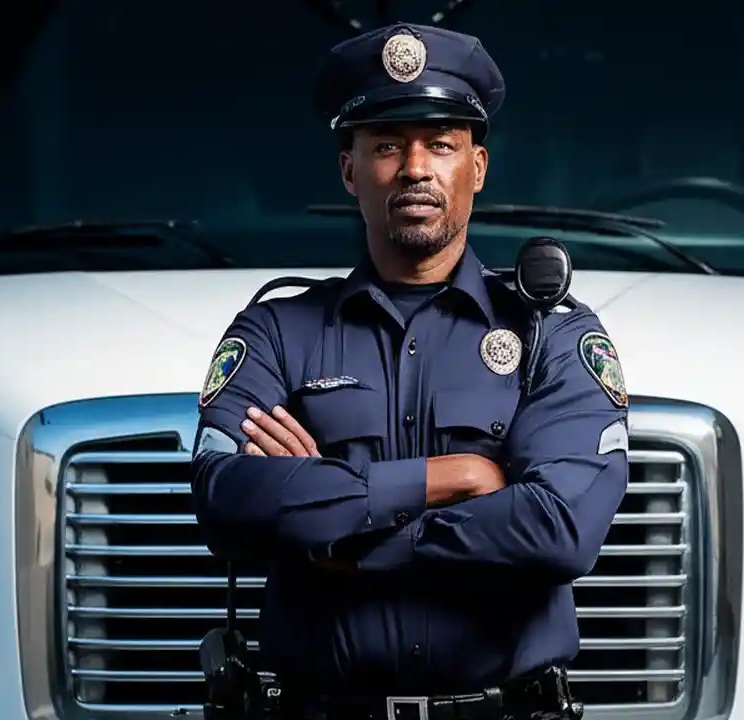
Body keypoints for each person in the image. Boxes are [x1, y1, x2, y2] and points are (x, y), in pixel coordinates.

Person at [190, 21, 630, 720]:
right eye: (387, 145)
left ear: (477, 168)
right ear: (349, 170)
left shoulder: (553, 333)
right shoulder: (275, 332)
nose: (416, 168)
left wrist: (350, 538)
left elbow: (558, 530)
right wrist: (449, 479)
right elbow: (227, 500)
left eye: (442, 145)